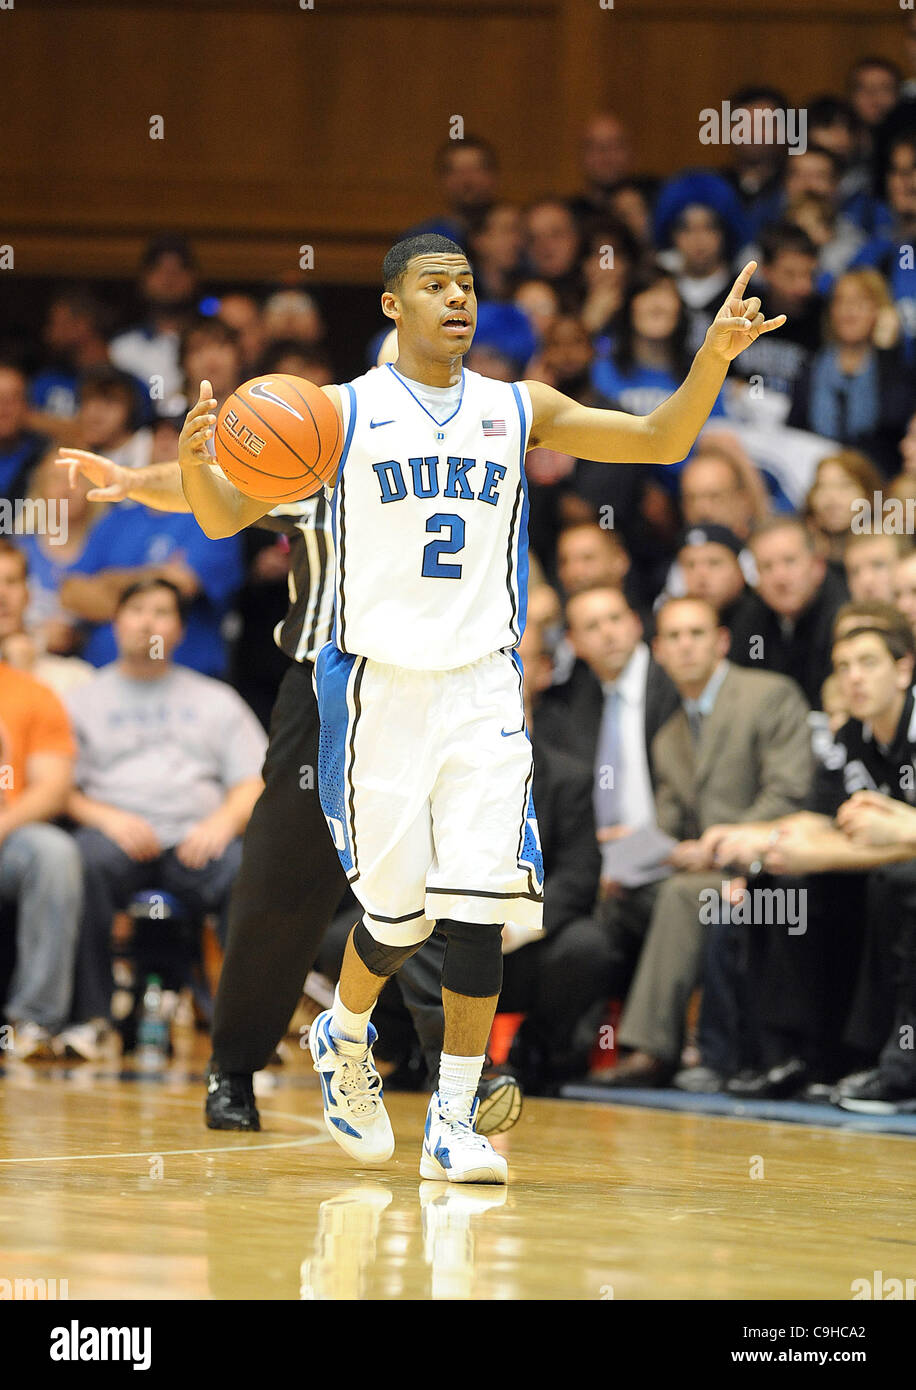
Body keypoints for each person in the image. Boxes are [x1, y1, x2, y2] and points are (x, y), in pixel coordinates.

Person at [175, 233, 785, 1183]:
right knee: (397, 916)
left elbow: (660, 439)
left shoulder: (517, 406)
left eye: (466, 284)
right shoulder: (336, 416)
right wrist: (198, 465)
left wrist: (712, 357)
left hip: (485, 686)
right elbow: (219, 518)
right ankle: (343, 1031)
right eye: (433, 285)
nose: (456, 299)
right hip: (376, 686)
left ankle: (452, 1121)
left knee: (475, 911)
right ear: (391, 305)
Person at [598, 596, 813, 1087]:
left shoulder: (768, 694)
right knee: (611, 894)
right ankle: (574, 1043)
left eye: (696, 633)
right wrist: (637, 852)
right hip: (706, 870)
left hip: (771, 858)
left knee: (679, 896)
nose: (685, 646)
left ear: (721, 641)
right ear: (659, 651)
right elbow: (672, 825)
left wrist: (716, 846)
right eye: (673, 637)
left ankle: (651, 1049)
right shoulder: (670, 734)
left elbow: (790, 791)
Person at [64, 578, 267, 1055]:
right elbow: (61, 788)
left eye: (162, 612)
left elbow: (255, 780)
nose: (148, 622)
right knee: (77, 862)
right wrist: (106, 819)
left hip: (197, 840)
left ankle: (241, 1029)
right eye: (136, 610)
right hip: (113, 838)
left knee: (246, 871)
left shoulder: (215, 699)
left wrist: (220, 824)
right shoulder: (81, 700)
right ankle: (90, 1018)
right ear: (116, 623)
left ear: (179, 629)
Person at [0, 651, 82, 1060]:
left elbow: (52, 788)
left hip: (7, 837)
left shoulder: (32, 693)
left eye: (14, 582)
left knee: (54, 852)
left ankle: (34, 1021)